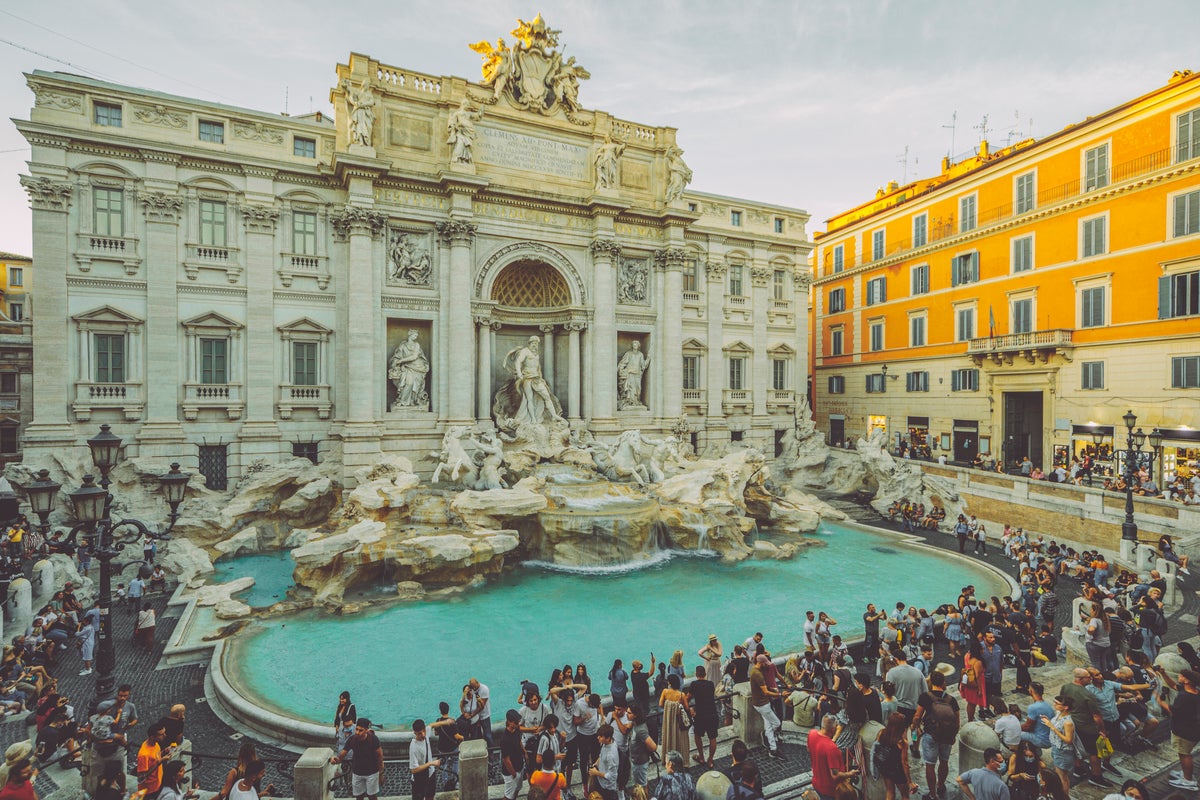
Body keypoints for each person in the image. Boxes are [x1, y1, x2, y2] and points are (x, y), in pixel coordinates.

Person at [912, 670, 959, 800]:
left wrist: (916, 728)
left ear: (931, 682)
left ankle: (933, 794)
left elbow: (917, 716)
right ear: (943, 682)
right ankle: (941, 785)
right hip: (947, 736)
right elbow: (957, 721)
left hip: (930, 735)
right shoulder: (952, 700)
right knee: (944, 762)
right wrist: (953, 736)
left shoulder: (925, 697)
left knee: (930, 765)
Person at [1060, 668, 1109, 789]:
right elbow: (1096, 716)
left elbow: (1062, 703)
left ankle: (1079, 769)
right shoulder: (1088, 694)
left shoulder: (1065, 687)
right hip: (1087, 727)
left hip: (1072, 723)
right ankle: (1096, 777)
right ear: (1080, 679)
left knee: (1076, 747)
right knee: (1095, 752)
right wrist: (1102, 729)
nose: (1090, 678)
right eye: (1088, 677)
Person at [1163, 667, 1200, 790]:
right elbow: (1173, 685)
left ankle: (1188, 780)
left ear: (1187, 681)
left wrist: (1159, 701)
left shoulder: (1184, 697)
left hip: (1185, 732)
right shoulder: (1195, 691)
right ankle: (1185, 774)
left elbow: (1173, 711)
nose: (1178, 677)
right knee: (1184, 753)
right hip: (1193, 730)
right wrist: (1163, 673)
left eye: (1181, 676)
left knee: (1185, 754)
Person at [332, 718, 383, 800]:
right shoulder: (352, 740)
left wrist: (380, 773)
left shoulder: (374, 739)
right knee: (358, 797)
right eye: (357, 729)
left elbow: (380, 756)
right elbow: (343, 753)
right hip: (357, 773)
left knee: (372, 796)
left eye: (361, 730)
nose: (357, 732)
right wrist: (336, 760)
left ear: (366, 730)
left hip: (372, 773)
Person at [809, 714, 856, 800]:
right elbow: (835, 775)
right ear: (833, 729)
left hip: (816, 782)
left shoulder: (812, 734)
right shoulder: (831, 748)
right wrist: (850, 774)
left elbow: (809, 749)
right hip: (830, 790)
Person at [873, 712, 915, 800]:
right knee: (905, 795)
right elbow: (905, 763)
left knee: (890, 792)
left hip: (885, 768)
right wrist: (910, 782)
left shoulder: (881, 732)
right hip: (897, 771)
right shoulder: (902, 743)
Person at [748, 655, 783, 760]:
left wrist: (771, 688)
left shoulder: (753, 670)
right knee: (777, 723)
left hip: (759, 703)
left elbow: (762, 687)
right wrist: (780, 695)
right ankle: (766, 735)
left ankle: (773, 749)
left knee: (768, 726)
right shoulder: (758, 674)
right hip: (763, 704)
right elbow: (765, 692)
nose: (766, 666)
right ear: (761, 663)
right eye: (765, 664)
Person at [389, 330, 431, 408]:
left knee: (415, 386)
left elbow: (414, 357)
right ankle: (403, 402)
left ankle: (412, 401)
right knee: (409, 384)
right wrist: (395, 363)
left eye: (416, 336)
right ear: (410, 335)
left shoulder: (416, 345)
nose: (415, 337)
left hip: (418, 367)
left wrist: (401, 361)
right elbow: (397, 356)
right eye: (414, 335)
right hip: (407, 367)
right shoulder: (403, 346)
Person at [658, 674, 692, 767]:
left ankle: (669, 760)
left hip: (668, 720)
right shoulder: (681, 695)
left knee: (669, 736)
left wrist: (669, 705)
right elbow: (687, 707)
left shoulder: (665, 692)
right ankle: (683, 760)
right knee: (681, 738)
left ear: (669, 683)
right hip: (679, 721)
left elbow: (660, 704)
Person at [688, 665, 718, 768]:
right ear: (705, 674)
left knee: (697, 735)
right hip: (712, 713)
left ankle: (701, 757)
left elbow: (687, 697)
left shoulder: (694, 684)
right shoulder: (711, 684)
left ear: (696, 675)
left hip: (700, 714)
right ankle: (710, 760)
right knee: (713, 738)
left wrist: (690, 708)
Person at [137, 723, 173, 800]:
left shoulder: (155, 744)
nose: (165, 735)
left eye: (164, 732)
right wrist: (160, 762)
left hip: (157, 784)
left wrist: (163, 752)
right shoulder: (144, 754)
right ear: (152, 737)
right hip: (149, 790)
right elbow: (141, 778)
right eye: (161, 734)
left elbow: (155, 757)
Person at [587, 723, 618, 800]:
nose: (598, 738)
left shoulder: (611, 755)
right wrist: (596, 764)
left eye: (600, 736)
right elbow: (601, 756)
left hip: (608, 789)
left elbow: (612, 776)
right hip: (601, 783)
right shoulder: (606, 743)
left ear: (607, 738)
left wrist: (596, 773)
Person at [500, 710, 525, 800]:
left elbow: (519, 741)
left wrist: (524, 752)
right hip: (511, 772)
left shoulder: (516, 729)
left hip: (519, 766)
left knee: (517, 789)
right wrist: (514, 774)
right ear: (509, 722)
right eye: (516, 722)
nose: (518, 724)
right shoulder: (505, 739)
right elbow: (506, 760)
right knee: (508, 796)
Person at [617, 342, 650, 409]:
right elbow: (623, 362)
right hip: (630, 373)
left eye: (636, 345)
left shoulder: (640, 354)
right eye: (634, 344)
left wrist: (648, 358)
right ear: (632, 346)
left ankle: (636, 401)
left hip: (637, 374)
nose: (635, 346)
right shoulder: (628, 354)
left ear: (638, 346)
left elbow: (643, 365)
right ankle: (630, 402)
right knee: (630, 388)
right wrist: (621, 369)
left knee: (638, 389)